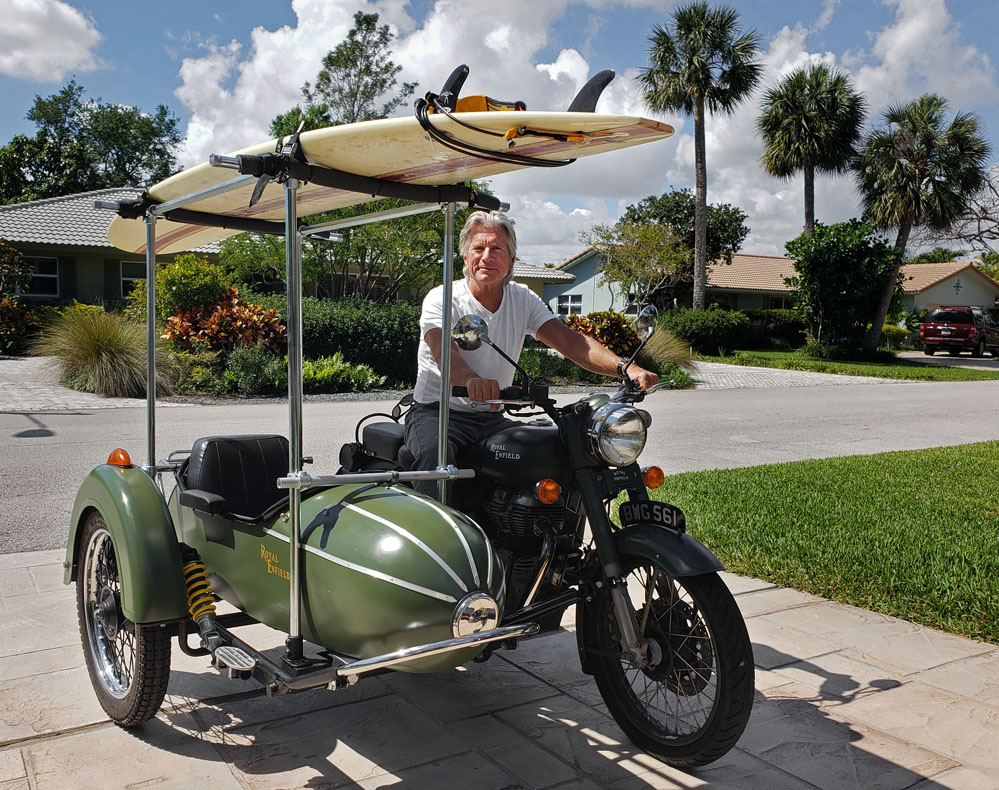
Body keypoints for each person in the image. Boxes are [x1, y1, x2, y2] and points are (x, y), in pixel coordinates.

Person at [404, 210, 658, 499]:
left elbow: (572, 343)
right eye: (478, 248)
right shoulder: (443, 297)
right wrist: (472, 380)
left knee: (548, 452)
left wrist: (626, 368)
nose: (487, 256)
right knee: (435, 463)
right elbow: (443, 350)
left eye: (497, 248)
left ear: (511, 260)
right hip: (438, 415)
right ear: (465, 257)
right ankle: (434, 537)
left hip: (492, 416)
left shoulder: (522, 298)